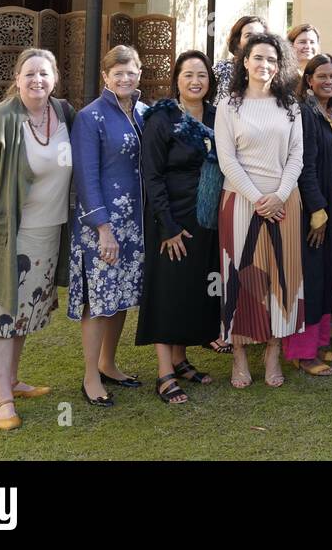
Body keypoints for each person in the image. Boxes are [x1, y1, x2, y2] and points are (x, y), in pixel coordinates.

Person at [0, 48, 75, 429]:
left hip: (48, 231)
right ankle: (2, 400)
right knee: (1, 315)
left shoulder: (64, 113)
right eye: (30, 74)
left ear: (54, 77)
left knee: (25, 312)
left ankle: (12, 380)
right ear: (18, 79)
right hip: (8, 234)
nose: (37, 81)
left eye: (44, 73)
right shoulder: (2, 118)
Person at [215, 32, 305, 389]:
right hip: (240, 201)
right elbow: (226, 158)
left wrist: (279, 195)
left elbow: (297, 154)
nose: (264, 65)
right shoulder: (229, 105)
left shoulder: (290, 106)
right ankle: (238, 354)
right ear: (245, 62)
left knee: (282, 277)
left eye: (271, 59)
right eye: (257, 58)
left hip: (285, 203)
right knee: (240, 276)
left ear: (279, 64)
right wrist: (257, 198)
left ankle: (273, 353)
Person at [136, 51, 222, 404]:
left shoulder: (218, 116)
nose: (195, 81)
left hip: (206, 217)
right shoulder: (163, 118)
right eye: (188, 75)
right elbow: (152, 175)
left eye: (201, 75)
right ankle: (164, 373)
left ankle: (180, 358)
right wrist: (168, 227)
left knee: (193, 289)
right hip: (169, 218)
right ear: (177, 79)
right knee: (168, 290)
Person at [70, 45, 147, 407]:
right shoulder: (91, 117)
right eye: (117, 73)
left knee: (120, 298)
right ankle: (89, 377)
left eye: (130, 71)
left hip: (136, 223)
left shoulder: (144, 113)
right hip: (102, 226)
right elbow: (85, 176)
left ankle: (109, 363)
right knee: (99, 300)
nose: (124, 78)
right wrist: (103, 228)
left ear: (139, 73)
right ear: (105, 77)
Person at [282, 54, 332, 376]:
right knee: (309, 277)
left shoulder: (328, 112)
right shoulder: (305, 113)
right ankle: (301, 352)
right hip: (312, 205)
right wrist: (317, 209)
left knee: (324, 274)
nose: (329, 81)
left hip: (330, 201)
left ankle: (320, 342)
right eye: (322, 75)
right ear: (308, 80)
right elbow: (304, 166)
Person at [215, 15, 267, 105]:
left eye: (259, 35)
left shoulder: (270, 70)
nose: (254, 39)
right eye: (248, 35)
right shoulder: (222, 68)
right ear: (238, 41)